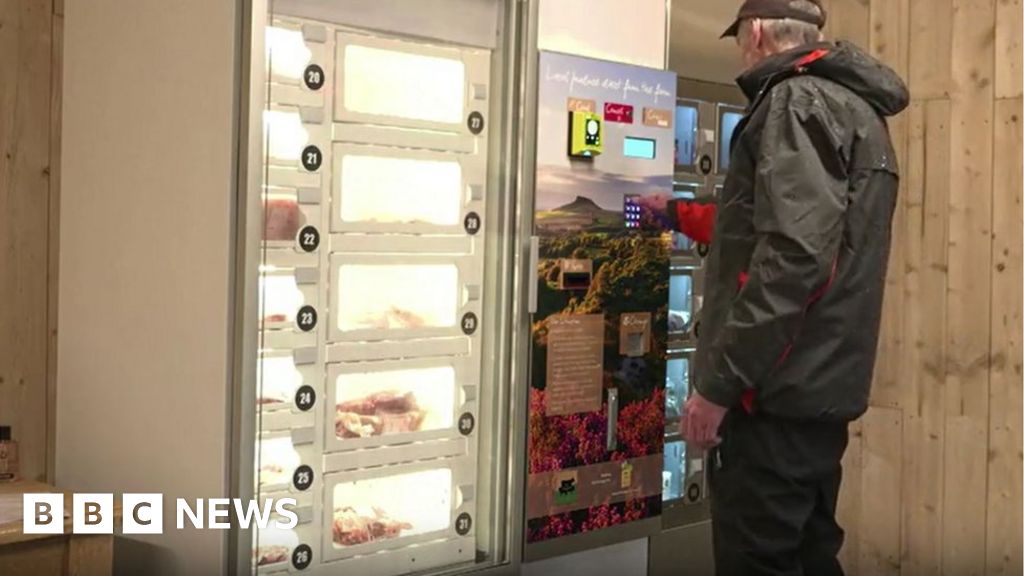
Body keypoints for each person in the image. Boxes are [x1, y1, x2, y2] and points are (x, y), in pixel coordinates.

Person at [669, 1, 909, 574]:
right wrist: (673, 214)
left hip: (770, 398)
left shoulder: (795, 101)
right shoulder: (858, 110)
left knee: (759, 558)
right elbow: (781, 230)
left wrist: (719, 386)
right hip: (817, 395)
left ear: (754, 33)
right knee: (809, 554)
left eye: (738, 41)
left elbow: (793, 258)